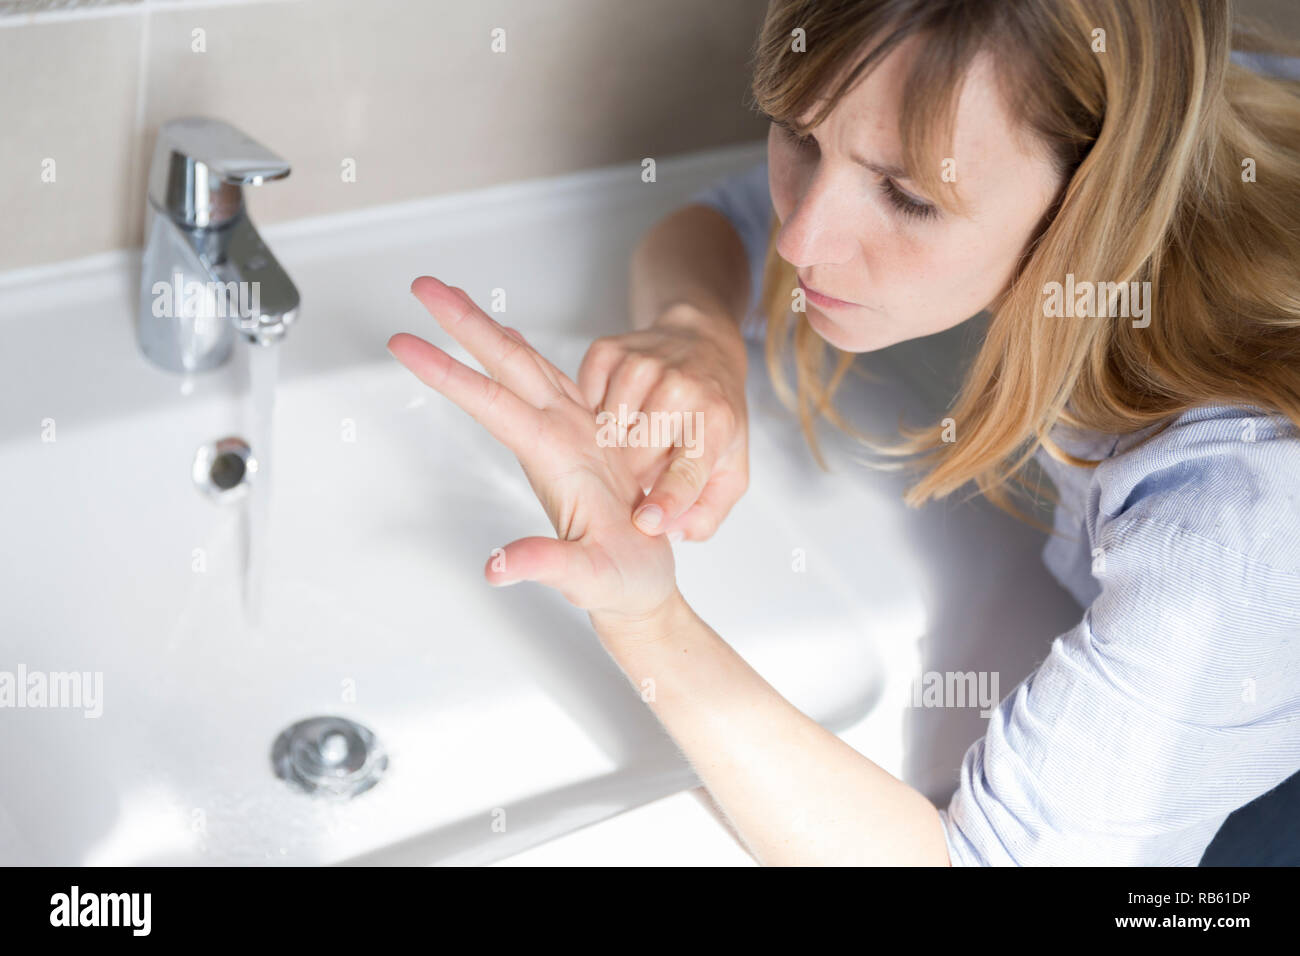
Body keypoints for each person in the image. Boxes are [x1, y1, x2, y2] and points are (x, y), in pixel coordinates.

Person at [388, 0, 1300, 865]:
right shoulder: (1136, 107)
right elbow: (731, 224)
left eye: (906, 198)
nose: (803, 240)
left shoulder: (1232, 529)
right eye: (800, 134)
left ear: (1098, 202)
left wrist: (644, 617)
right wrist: (695, 331)